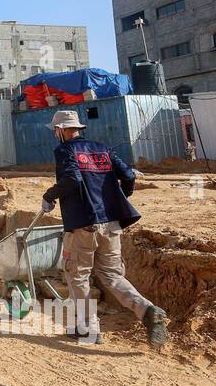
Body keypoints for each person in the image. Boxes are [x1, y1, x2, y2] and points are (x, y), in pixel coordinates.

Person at [40, 110, 168, 347]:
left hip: (83, 225)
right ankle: (147, 310)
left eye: (55, 130)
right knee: (112, 275)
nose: (55, 134)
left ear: (60, 130)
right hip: (111, 224)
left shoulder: (65, 150)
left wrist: (49, 195)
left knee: (78, 275)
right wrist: (117, 198)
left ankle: (89, 329)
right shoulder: (102, 148)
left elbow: (71, 179)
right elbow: (128, 175)